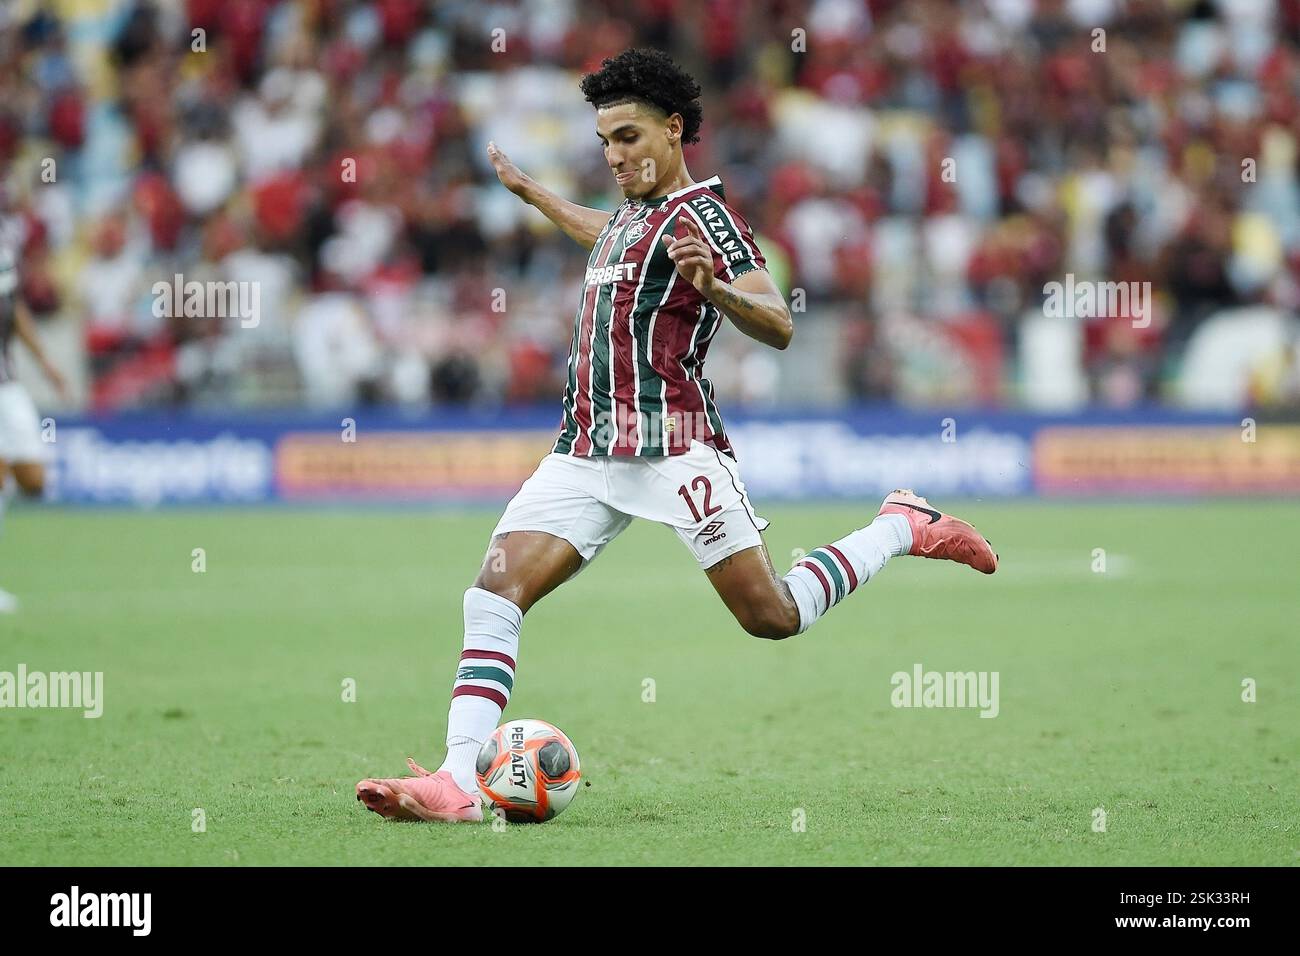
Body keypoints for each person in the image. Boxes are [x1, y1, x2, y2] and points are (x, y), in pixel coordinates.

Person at [356, 49, 996, 822]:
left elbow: (781, 323)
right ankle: (458, 785)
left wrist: (714, 288)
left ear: (673, 129)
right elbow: (607, 236)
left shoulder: (705, 216)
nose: (615, 155)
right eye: (604, 141)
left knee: (772, 617)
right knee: (493, 592)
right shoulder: (631, 216)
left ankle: (899, 526)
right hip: (586, 449)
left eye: (628, 138)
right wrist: (533, 194)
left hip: (675, 448)